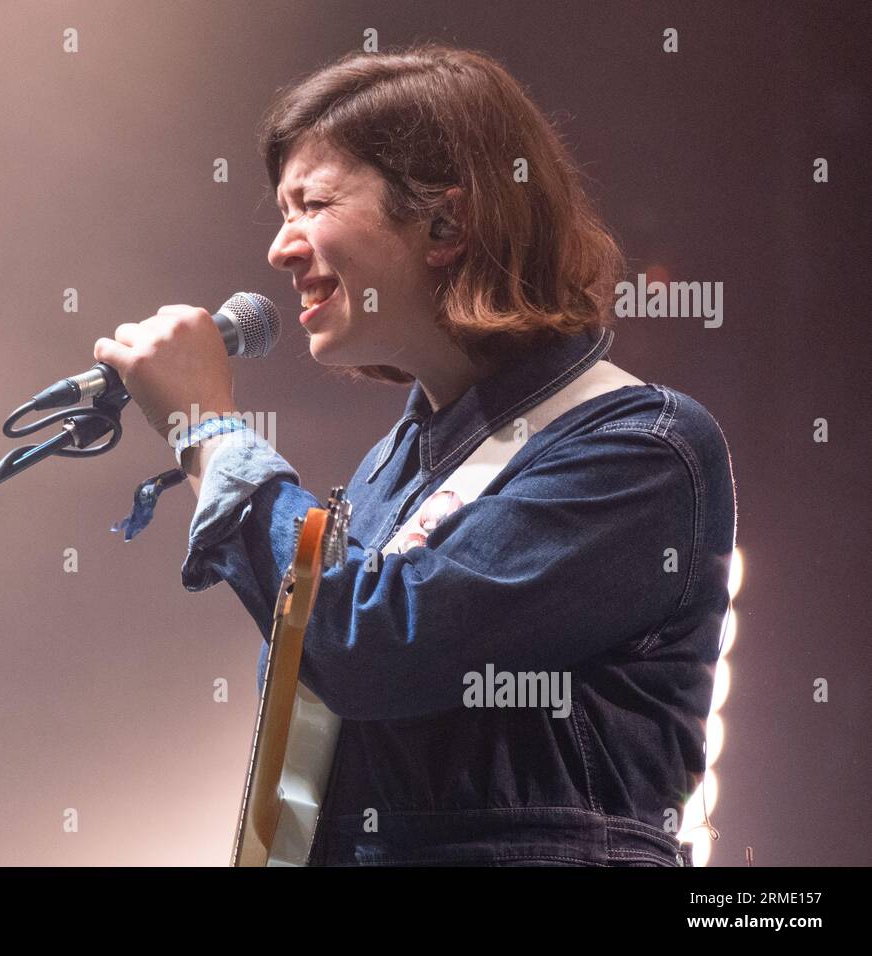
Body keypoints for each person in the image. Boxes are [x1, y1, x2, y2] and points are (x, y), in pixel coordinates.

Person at [94, 44, 736, 866]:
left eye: (313, 203)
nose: (280, 249)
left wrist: (210, 431)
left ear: (448, 222)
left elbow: (371, 648)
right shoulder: (390, 467)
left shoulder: (640, 449)